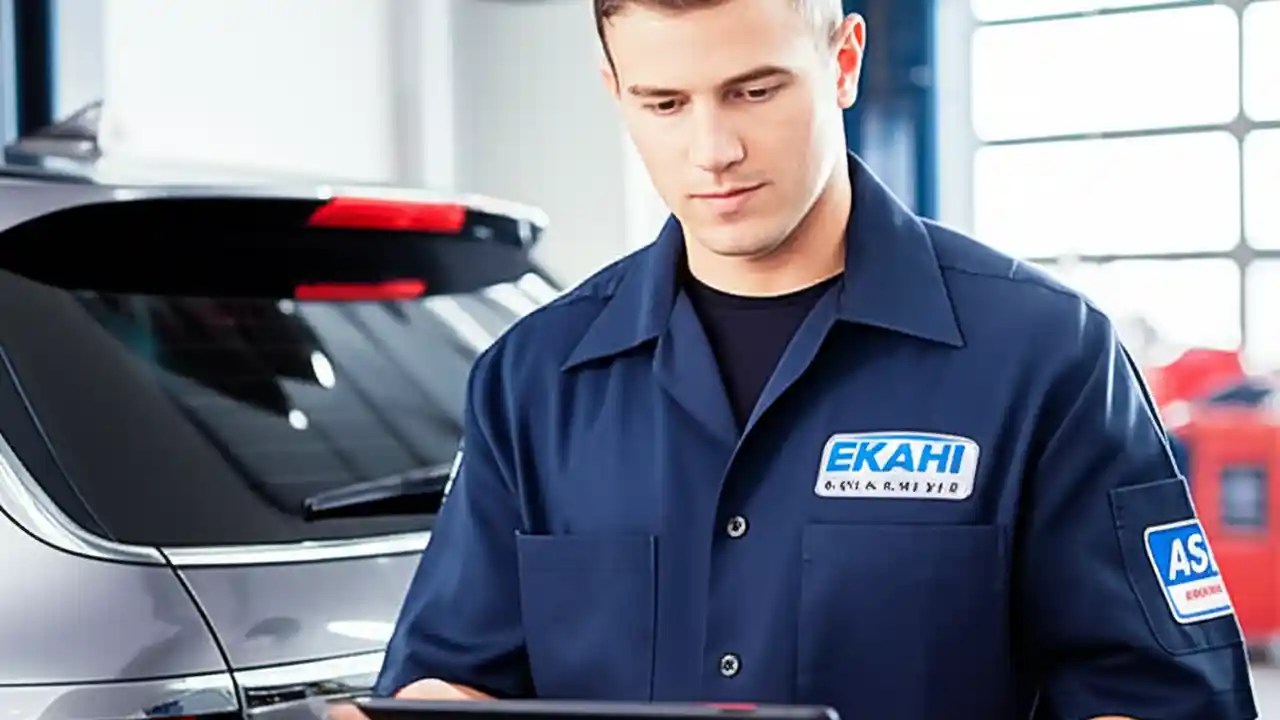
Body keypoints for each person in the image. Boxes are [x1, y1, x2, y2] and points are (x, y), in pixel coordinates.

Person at [333, 0, 1259, 718]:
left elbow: (1163, 699)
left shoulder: (1045, 359)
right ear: (615, 92)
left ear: (843, 61)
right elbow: (449, 681)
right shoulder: (534, 381)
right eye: (665, 103)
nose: (714, 149)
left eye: (755, 90)